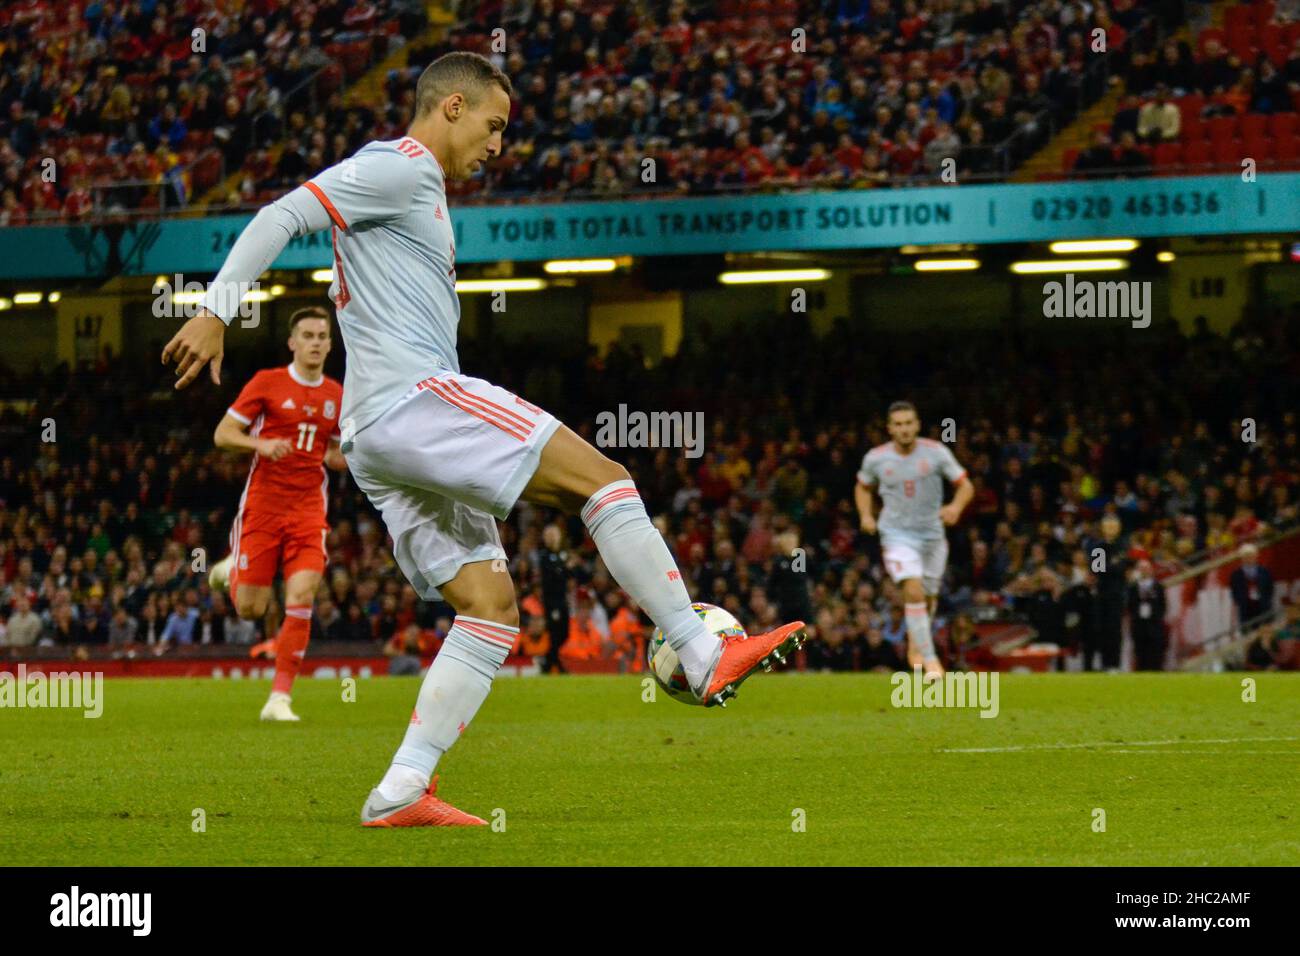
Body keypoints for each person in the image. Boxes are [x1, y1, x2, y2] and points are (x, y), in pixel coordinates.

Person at [161, 51, 807, 827]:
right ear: (453, 106)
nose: (499, 145)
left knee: (492, 607)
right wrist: (215, 308)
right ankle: (700, 653)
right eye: (495, 125)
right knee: (602, 479)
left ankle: (400, 788)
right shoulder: (400, 166)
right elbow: (282, 215)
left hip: (376, 435)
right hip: (411, 401)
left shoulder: (418, 191)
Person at [205, 306, 348, 722]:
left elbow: (336, 451)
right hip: (263, 508)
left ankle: (279, 698)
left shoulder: (337, 396)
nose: (317, 342)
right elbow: (223, 435)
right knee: (251, 608)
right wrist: (260, 445)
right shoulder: (267, 383)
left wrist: (342, 459)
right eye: (308, 335)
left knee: (302, 596)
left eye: (323, 336)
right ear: (292, 342)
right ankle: (228, 572)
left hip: (308, 511)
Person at [855, 401, 972, 678]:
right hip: (896, 534)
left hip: (932, 534)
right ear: (890, 429)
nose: (904, 429)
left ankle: (915, 642)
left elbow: (966, 485)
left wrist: (955, 507)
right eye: (898, 424)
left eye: (909, 423)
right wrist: (865, 515)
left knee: (929, 598)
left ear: (917, 425)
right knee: (914, 590)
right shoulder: (876, 458)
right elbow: (862, 487)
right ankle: (931, 661)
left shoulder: (936, 452)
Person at [1126, 559, 1167, 670]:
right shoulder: (1132, 587)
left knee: (1155, 652)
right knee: (1140, 653)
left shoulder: (1158, 587)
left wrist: (1156, 618)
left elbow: (1162, 605)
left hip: (1154, 625)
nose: (1144, 571)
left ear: (1151, 570)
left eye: (1146, 569)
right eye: (1141, 569)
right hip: (1138, 625)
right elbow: (1130, 605)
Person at [1229, 543, 1275, 631]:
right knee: (1248, 639)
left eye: (1251, 555)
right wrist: (1242, 602)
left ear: (1256, 556)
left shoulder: (1265, 572)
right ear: (1242, 558)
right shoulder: (1236, 575)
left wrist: (1265, 600)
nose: (1249, 558)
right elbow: (1234, 593)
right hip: (1246, 611)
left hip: (1263, 609)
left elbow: (1270, 589)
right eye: (1246, 556)